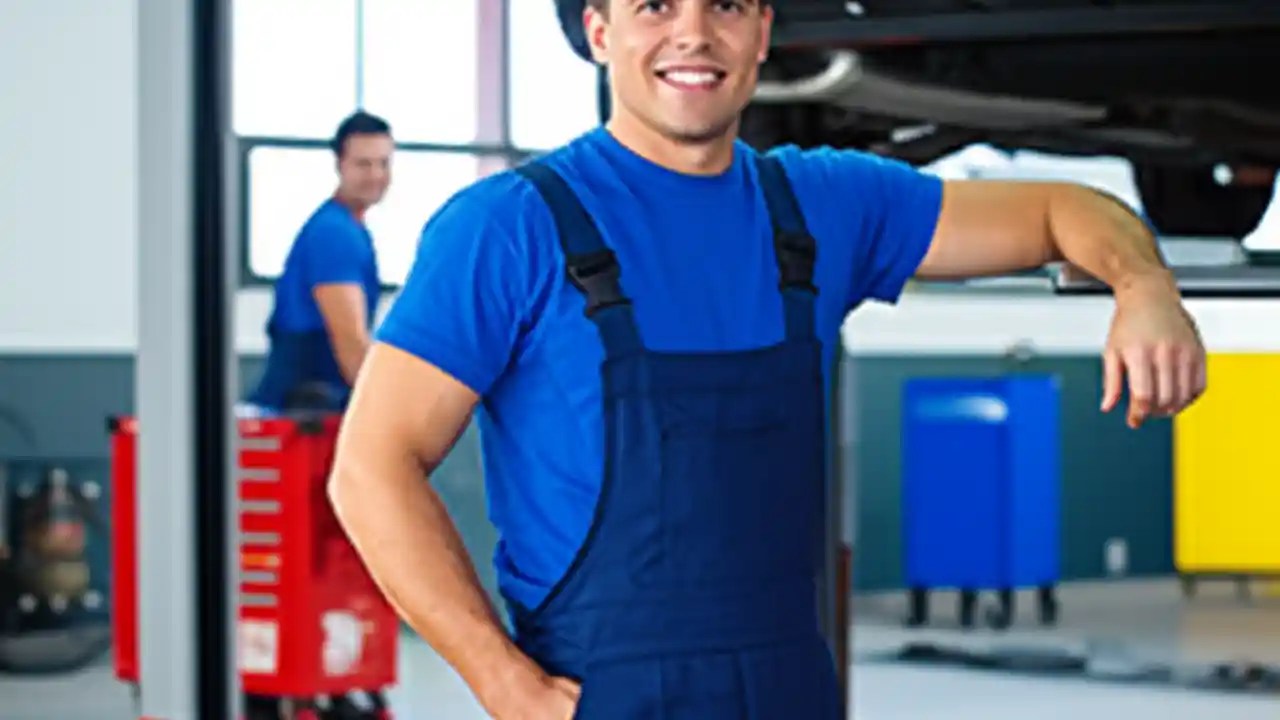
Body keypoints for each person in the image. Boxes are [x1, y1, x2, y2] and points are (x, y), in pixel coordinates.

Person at [327, 2, 1206, 718]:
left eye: (727, 6)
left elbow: (1064, 210)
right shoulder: (507, 227)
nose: (693, 34)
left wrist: (1145, 286)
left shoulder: (826, 203)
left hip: (790, 688)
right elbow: (370, 469)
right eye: (655, 6)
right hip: (602, 697)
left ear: (762, 32)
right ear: (598, 32)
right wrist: (504, 684)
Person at [246, 111, 393, 413]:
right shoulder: (334, 233)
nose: (376, 174)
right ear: (339, 164)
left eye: (384, 163)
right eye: (364, 164)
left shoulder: (351, 228)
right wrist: (390, 413)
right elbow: (351, 346)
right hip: (303, 415)